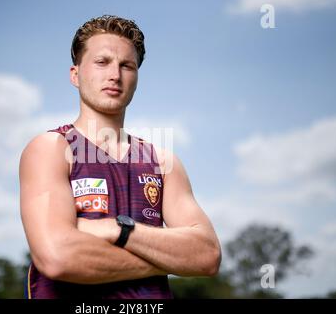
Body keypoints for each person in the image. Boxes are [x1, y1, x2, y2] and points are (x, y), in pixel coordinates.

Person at [19, 15, 221, 299]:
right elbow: (58, 257)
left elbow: (207, 255)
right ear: (75, 75)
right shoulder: (51, 148)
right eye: (102, 62)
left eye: (127, 65)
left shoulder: (162, 162)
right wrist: (164, 259)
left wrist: (118, 230)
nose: (115, 75)